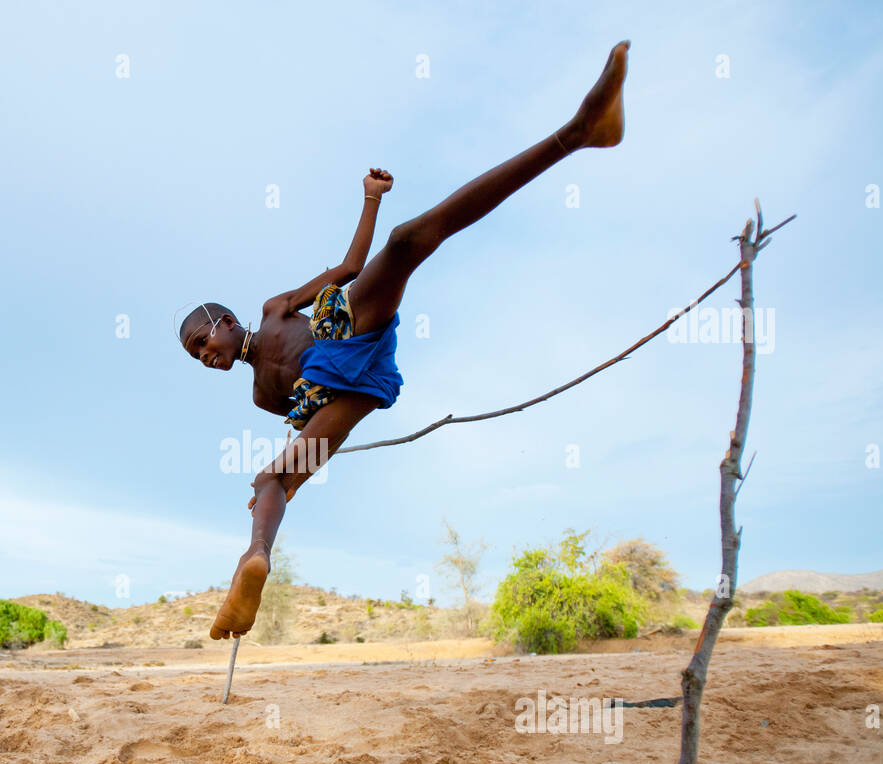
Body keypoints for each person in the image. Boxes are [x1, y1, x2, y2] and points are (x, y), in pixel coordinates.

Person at [178, 41, 630, 640]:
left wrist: (369, 198)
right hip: (344, 395)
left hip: (348, 337)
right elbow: (310, 424)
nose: (206, 356)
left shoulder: (275, 310)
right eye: (196, 356)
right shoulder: (260, 397)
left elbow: (348, 267)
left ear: (227, 320)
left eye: (202, 340)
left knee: (405, 241)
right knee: (273, 479)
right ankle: (255, 557)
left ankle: (578, 131)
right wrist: (306, 442)